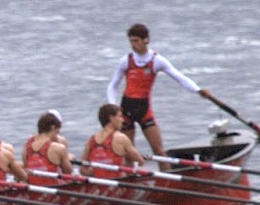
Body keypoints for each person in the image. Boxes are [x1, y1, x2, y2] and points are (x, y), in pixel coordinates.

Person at [105, 23, 211, 166]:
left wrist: (198, 90)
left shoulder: (157, 61)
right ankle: (130, 183)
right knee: (128, 153)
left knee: (159, 151)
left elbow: (179, 77)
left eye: (136, 41)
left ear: (146, 40)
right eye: (131, 41)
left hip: (144, 110)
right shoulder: (126, 61)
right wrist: (113, 106)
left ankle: (166, 181)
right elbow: (113, 86)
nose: (132, 45)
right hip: (126, 110)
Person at [83, 103, 146, 177]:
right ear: (111, 118)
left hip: (97, 184)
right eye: (120, 116)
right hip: (117, 183)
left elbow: (82, 169)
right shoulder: (121, 138)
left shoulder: (91, 140)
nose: (122, 120)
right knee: (128, 160)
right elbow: (141, 162)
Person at [22, 111, 75, 185]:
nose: (57, 136)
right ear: (53, 127)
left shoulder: (26, 149)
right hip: (53, 189)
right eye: (57, 132)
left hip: (34, 190)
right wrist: (69, 159)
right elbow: (68, 173)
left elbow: (26, 173)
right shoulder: (59, 148)